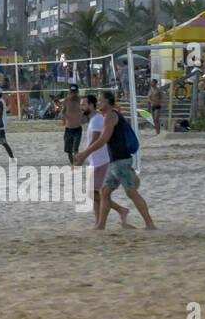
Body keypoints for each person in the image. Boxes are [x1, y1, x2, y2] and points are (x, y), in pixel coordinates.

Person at [73, 91, 155, 230]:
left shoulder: (111, 116)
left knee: (131, 192)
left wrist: (84, 153)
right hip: (114, 162)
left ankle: (149, 224)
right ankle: (100, 225)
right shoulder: (108, 116)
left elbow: (103, 139)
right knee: (104, 192)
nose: (98, 103)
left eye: (100, 100)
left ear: (107, 102)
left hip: (121, 161)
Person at [62, 85, 82, 166]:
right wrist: (66, 118)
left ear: (77, 92)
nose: (73, 94)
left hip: (77, 128)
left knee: (75, 149)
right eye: (72, 92)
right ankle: (72, 164)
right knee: (68, 150)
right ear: (70, 92)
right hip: (68, 128)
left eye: (75, 92)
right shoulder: (66, 100)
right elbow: (63, 111)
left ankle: (76, 164)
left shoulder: (80, 100)